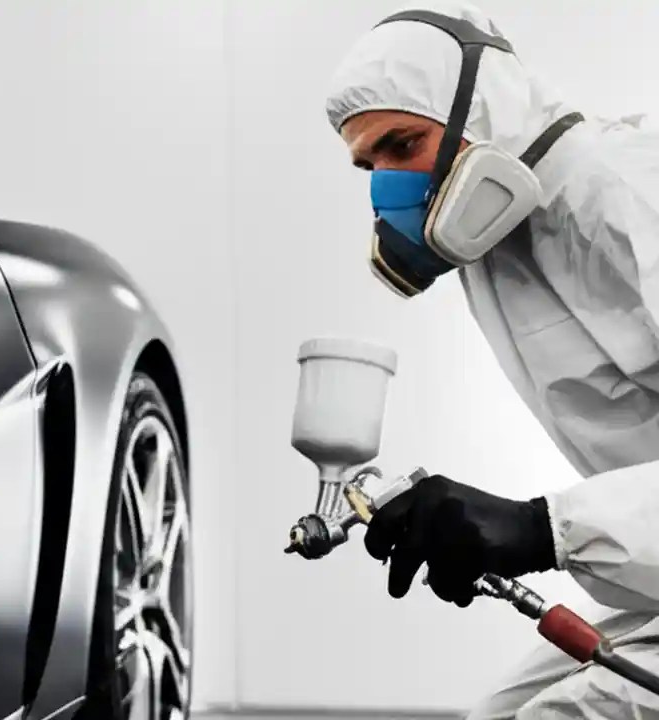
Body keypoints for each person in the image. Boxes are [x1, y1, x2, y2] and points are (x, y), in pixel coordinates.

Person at [325, 2, 659, 717]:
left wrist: (544, 528)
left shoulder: (629, 189)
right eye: (369, 164)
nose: (388, 185)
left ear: (484, 112)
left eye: (402, 143)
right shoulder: (502, 250)